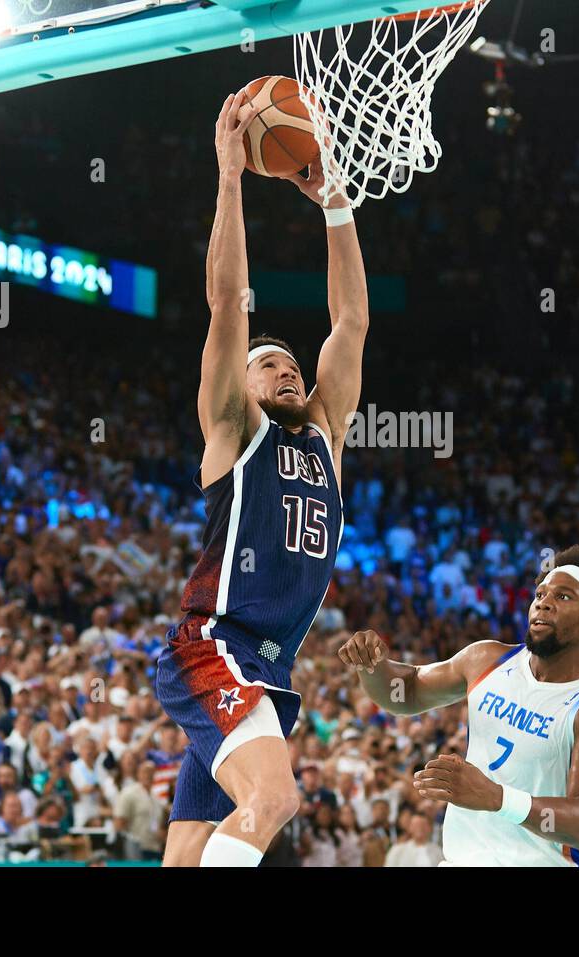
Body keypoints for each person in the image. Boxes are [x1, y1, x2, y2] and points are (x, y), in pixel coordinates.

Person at [154, 90, 368, 868]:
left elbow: (349, 323)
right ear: (238, 389)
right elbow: (224, 302)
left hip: (266, 666)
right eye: (265, 363)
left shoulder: (322, 433)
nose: (282, 367)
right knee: (274, 799)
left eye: (287, 362)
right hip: (213, 644)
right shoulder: (232, 429)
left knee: (186, 855)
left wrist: (336, 201)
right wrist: (232, 178)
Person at [341, 545, 579, 866]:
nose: (544, 603)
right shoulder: (486, 659)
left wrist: (498, 799)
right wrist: (372, 666)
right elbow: (406, 692)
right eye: (540, 594)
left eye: (563, 597)